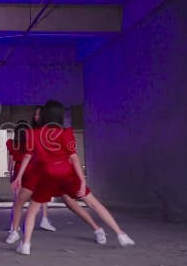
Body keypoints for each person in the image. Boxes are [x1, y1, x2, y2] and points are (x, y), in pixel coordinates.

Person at [11, 100, 135, 255]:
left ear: (44, 115)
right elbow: (74, 158)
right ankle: (120, 234)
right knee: (94, 204)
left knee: (32, 210)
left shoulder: (32, 134)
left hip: (46, 177)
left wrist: (19, 177)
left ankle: (26, 244)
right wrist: (82, 179)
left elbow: (28, 156)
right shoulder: (66, 133)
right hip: (66, 174)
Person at [7, 119, 55, 232]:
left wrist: (11, 174)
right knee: (41, 195)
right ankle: (44, 219)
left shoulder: (11, 143)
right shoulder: (32, 142)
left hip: (19, 170)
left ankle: (13, 226)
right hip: (32, 169)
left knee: (17, 200)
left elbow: (11, 160)